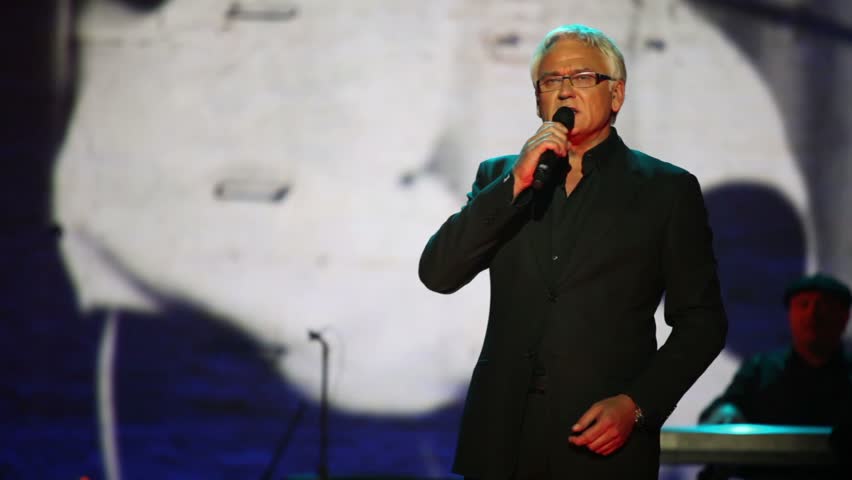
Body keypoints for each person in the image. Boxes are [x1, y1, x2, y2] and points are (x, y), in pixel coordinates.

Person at [419, 24, 727, 479]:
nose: (564, 90)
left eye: (581, 77)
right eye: (550, 81)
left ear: (616, 94)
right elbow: (438, 273)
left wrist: (638, 404)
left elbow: (702, 321)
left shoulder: (666, 190)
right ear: (538, 100)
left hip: (602, 444)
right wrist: (513, 186)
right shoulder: (499, 179)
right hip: (502, 441)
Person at [698, 273, 852, 479]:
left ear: (844, 316)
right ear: (790, 314)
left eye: (823, 305)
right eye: (803, 305)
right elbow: (724, 408)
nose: (812, 314)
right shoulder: (761, 368)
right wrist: (725, 413)